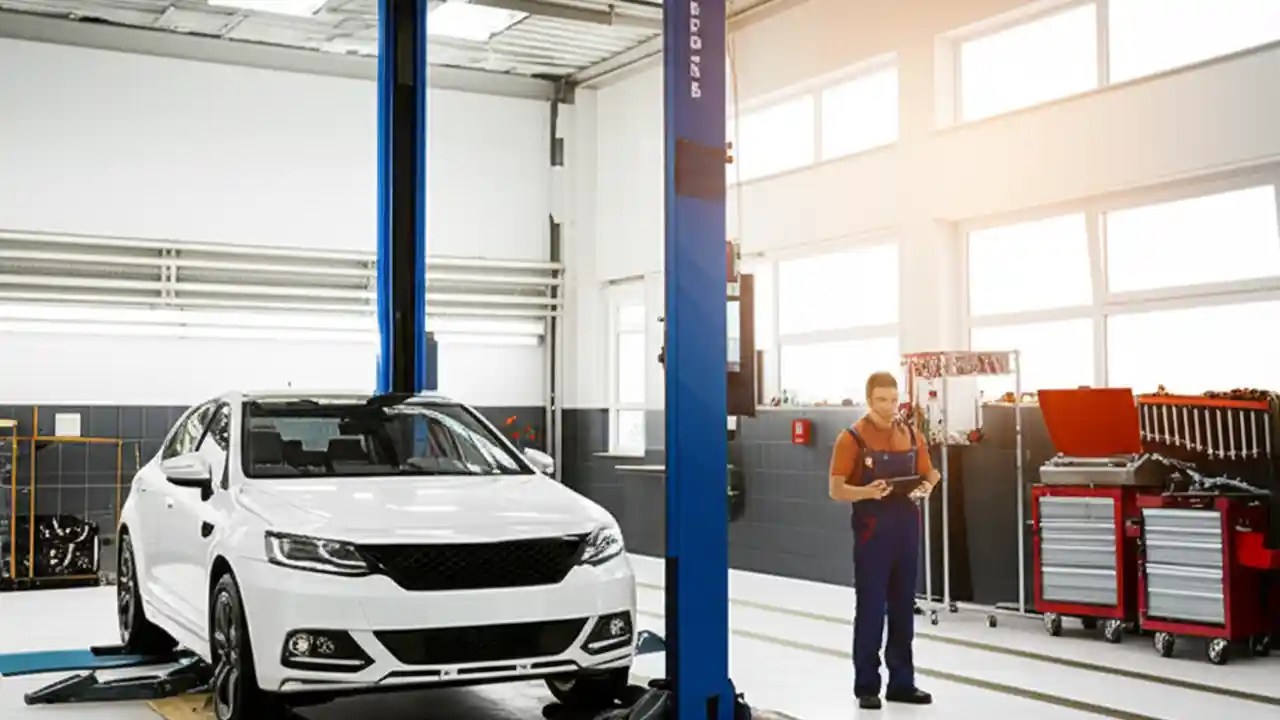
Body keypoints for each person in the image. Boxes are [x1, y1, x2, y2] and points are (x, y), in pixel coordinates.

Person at [828, 371, 940, 710]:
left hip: (907, 526)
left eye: (893, 400)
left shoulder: (911, 434)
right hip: (872, 530)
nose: (889, 407)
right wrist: (866, 491)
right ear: (868, 400)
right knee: (871, 609)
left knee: (903, 607)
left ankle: (902, 683)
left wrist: (929, 485)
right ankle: (867, 686)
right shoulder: (851, 439)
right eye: (881, 400)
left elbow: (931, 471)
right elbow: (835, 489)